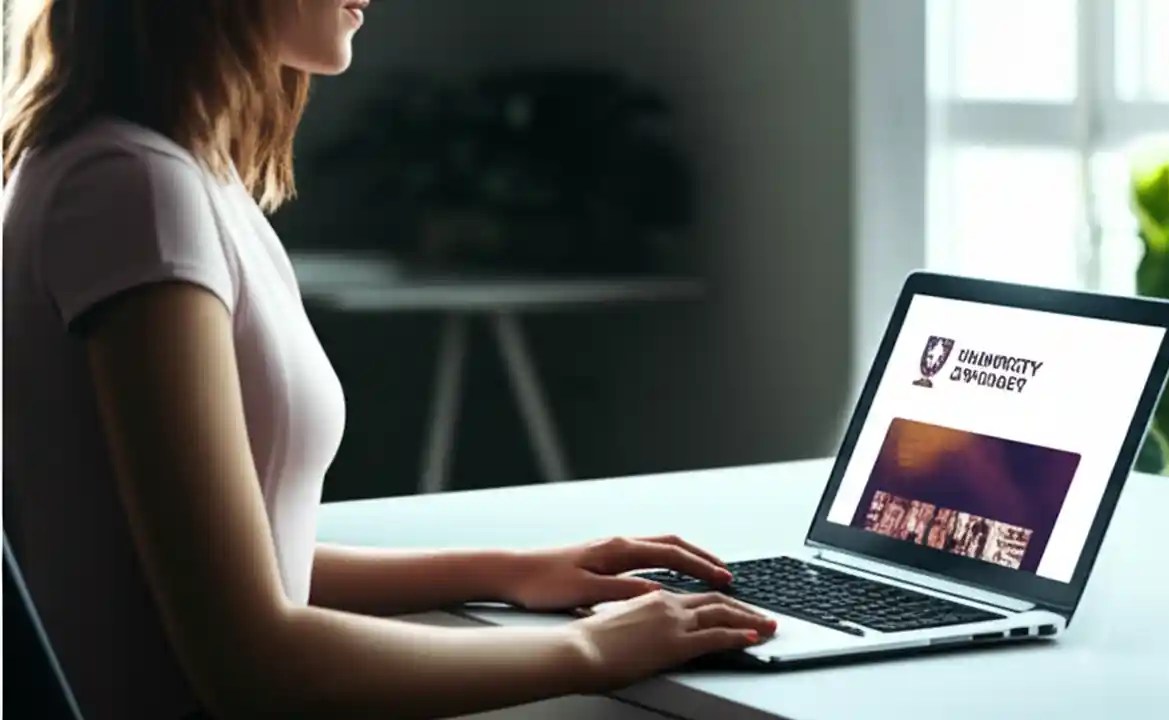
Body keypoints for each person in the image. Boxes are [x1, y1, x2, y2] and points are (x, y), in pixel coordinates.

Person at [1, 2, 776, 718]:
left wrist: (505, 570)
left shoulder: (163, 173)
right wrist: (592, 648)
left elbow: (238, 562)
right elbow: (249, 658)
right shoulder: (132, 190)